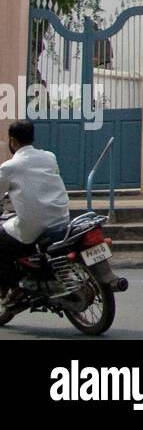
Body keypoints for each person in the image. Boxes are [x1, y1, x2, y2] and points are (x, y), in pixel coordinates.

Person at [0, 121, 70, 307]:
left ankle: (16, 286)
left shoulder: (9, 167)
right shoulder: (49, 157)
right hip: (61, 219)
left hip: (35, 225)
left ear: (12, 141)